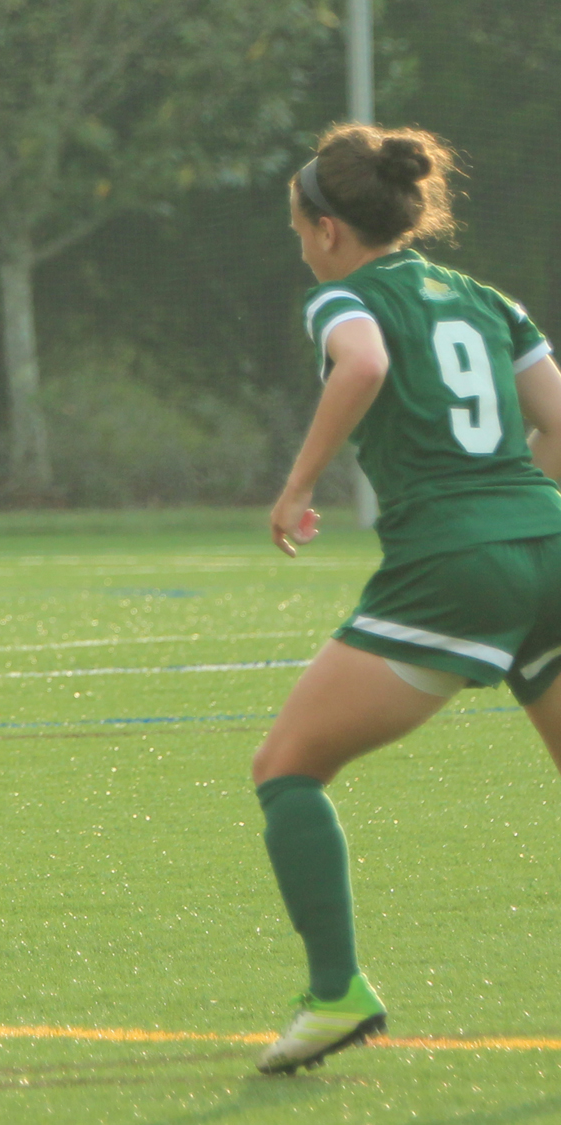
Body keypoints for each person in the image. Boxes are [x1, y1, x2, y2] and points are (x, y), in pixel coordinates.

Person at [253, 123, 561, 1073]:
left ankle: (337, 992)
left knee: (287, 764)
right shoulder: (486, 299)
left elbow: (366, 363)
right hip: (550, 539)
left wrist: (298, 485)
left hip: (452, 563)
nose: (302, 246)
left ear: (330, 229)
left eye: (301, 228)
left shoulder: (343, 297)